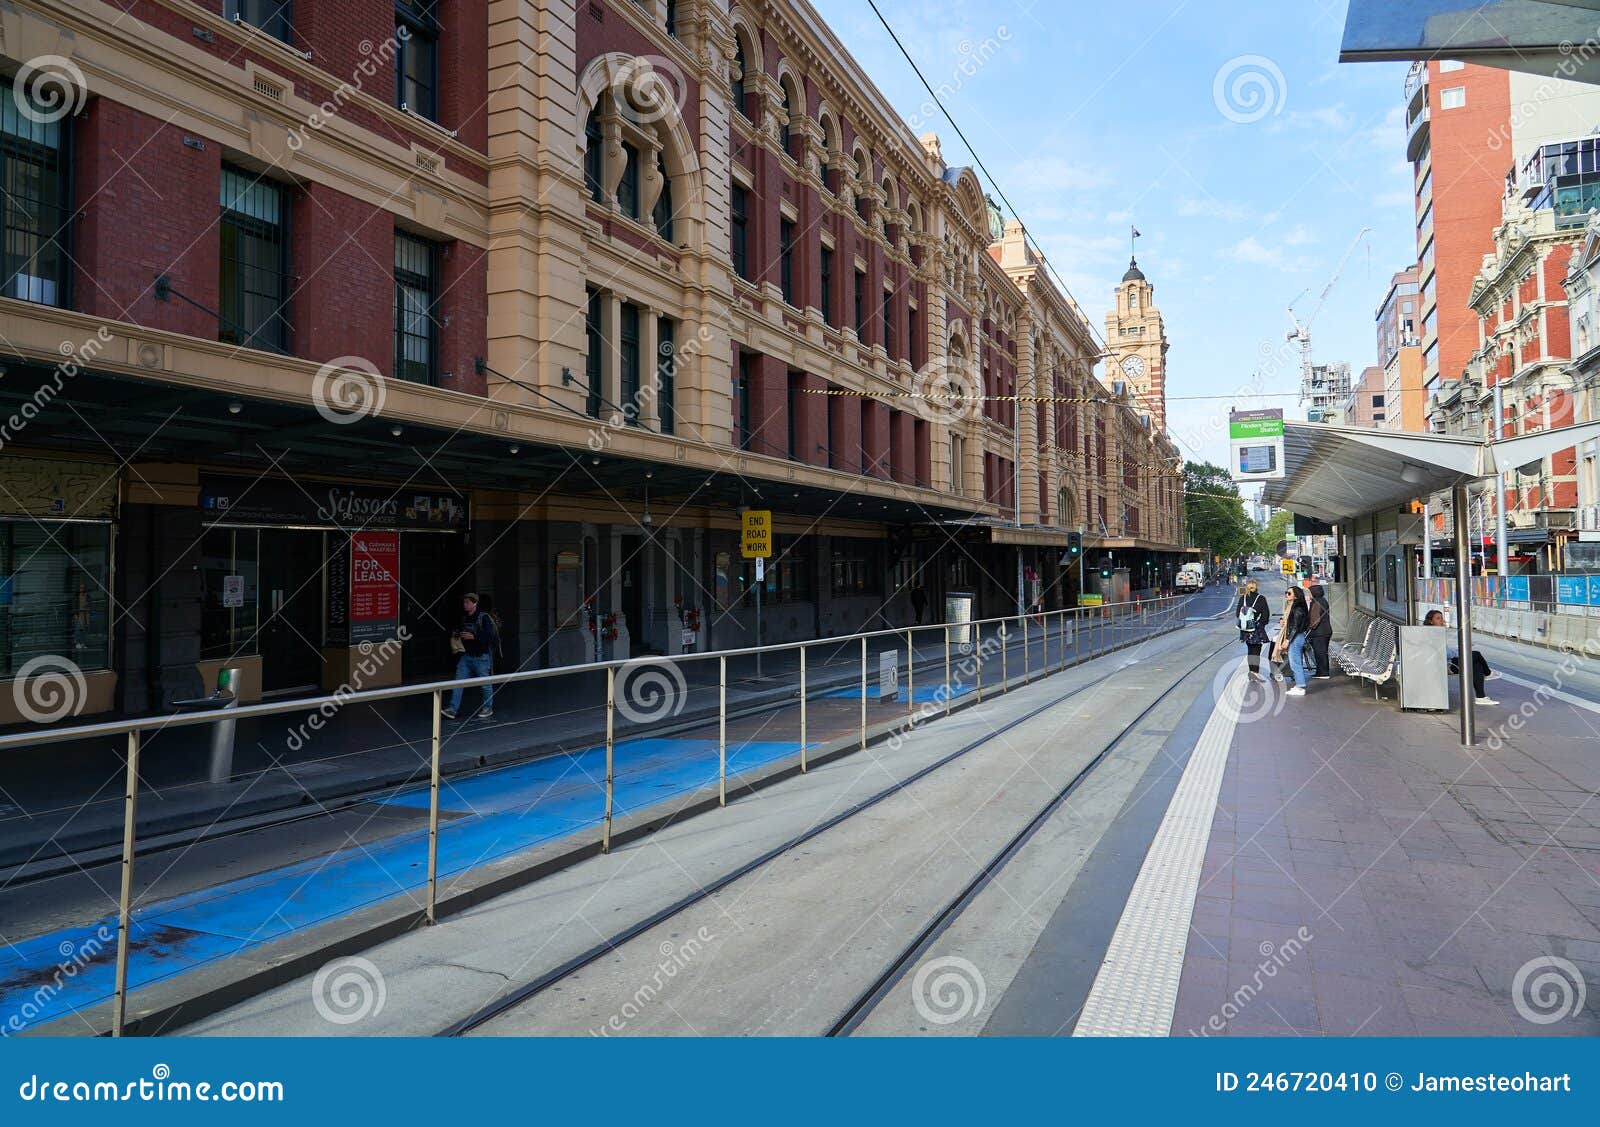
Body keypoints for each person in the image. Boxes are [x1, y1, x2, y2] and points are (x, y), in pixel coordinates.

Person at [1422, 610, 1498, 705]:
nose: (1441, 620)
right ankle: (1488, 673)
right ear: (1431, 621)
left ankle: (1481, 697)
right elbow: (1444, 653)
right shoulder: (1433, 634)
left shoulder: (1436, 632)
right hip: (1447, 665)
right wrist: (1460, 652)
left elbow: (1446, 651)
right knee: (1476, 654)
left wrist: (1460, 651)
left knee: (1476, 665)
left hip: (1447, 663)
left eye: (1442, 618)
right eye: (1438, 618)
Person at [445, 592, 498, 720]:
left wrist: (474, 637)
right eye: (464, 602)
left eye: (467, 602)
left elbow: (490, 637)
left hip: (481, 656)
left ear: (475, 603)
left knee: (485, 683)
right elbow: (460, 630)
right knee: (458, 682)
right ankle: (452, 709)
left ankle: (488, 708)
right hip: (466, 656)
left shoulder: (483, 618)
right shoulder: (464, 618)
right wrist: (457, 634)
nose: (465, 605)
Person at [1277, 587, 1312, 696]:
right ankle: (1299, 685)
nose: (1286, 595)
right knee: (1296, 662)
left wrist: (1287, 640)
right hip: (1296, 637)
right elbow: (1292, 623)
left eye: (1289, 593)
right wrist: (1282, 621)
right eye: (1286, 592)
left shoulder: (1298, 609)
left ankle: (1300, 686)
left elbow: (1296, 627)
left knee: (1295, 663)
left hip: (1296, 638)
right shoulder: (1294, 607)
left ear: (1295, 596)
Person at [1236, 579, 1272, 681]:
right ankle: (1255, 672)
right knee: (1256, 650)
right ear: (1256, 587)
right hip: (1256, 627)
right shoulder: (1261, 598)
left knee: (1250, 649)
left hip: (1245, 627)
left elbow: (1238, 613)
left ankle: (1251, 672)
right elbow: (1265, 615)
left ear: (1247, 587)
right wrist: (1261, 624)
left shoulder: (1243, 598)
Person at [1307, 583, 1334, 678]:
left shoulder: (1316, 602)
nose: (1309, 595)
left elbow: (1314, 620)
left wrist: (1308, 629)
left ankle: (1323, 673)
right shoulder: (1322, 601)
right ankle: (1321, 671)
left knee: (1320, 653)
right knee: (1322, 652)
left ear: (1315, 593)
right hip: (1324, 631)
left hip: (1319, 633)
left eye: (1310, 593)